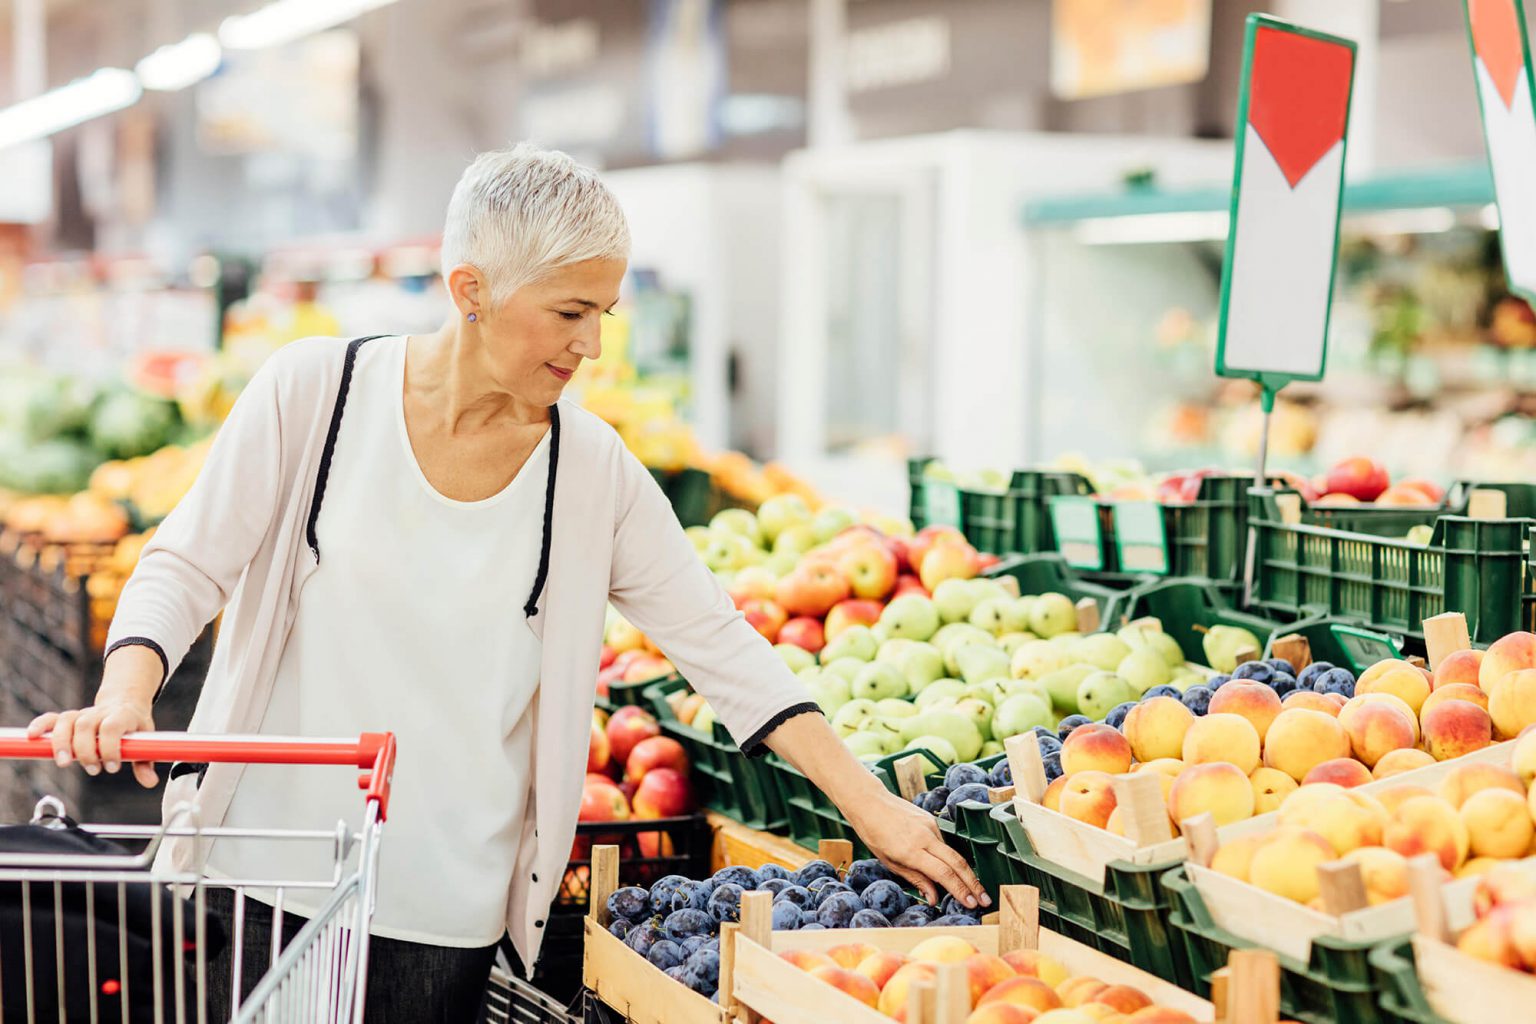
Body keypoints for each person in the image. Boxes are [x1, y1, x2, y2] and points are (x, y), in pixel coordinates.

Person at [28, 143, 986, 1021]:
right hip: (269, 872)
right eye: (570, 313)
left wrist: (872, 806)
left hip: (443, 910)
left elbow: (721, 646)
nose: (592, 346)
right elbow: (188, 560)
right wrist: (127, 689)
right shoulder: (315, 394)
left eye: (603, 314)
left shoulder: (592, 474)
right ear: (471, 290)